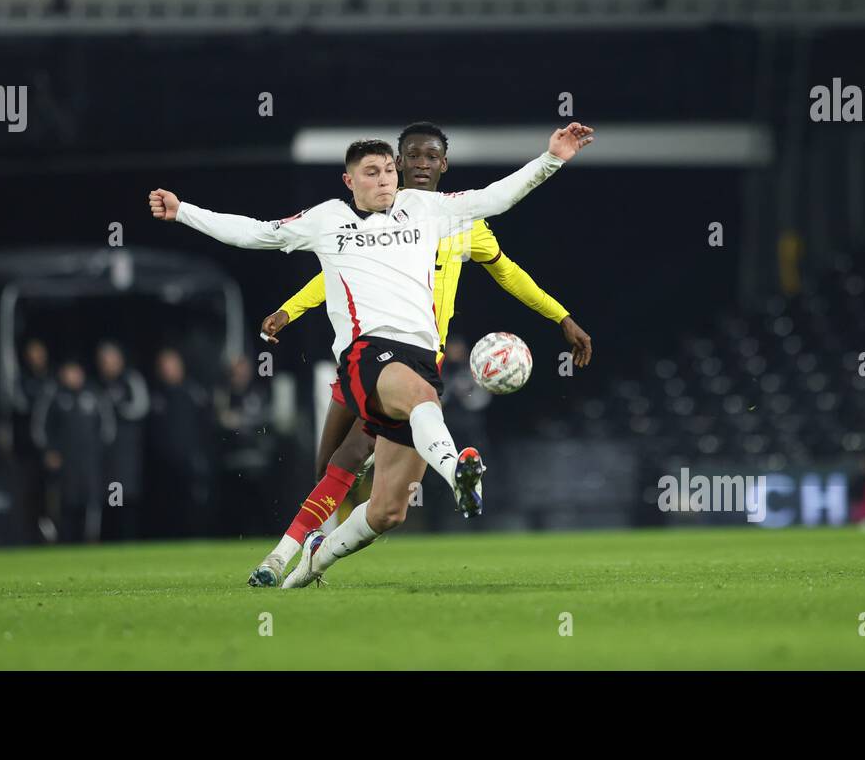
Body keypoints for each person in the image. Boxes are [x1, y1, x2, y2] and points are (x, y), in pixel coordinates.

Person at [149, 122, 594, 587]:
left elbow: (497, 196)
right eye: (373, 172)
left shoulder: (427, 211)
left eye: (387, 172)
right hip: (368, 355)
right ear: (349, 180)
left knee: (388, 511)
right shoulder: (326, 221)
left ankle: (310, 564)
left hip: (422, 357)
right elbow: (256, 233)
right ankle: (458, 473)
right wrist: (185, 213)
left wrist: (552, 159)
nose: (384, 180)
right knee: (391, 422)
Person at [31, 359, 115, 543]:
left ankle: (91, 541)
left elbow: (108, 429)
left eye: (75, 371)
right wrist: (48, 451)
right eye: (68, 371)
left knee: (91, 504)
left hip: (89, 463)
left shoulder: (94, 394)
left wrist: (98, 453)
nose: (72, 376)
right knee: (64, 505)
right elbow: (39, 428)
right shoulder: (53, 394)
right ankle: (61, 542)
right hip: (64, 463)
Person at [145, 348, 213, 538]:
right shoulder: (155, 396)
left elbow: (207, 428)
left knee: (192, 509)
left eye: (171, 365)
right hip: (162, 468)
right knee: (165, 511)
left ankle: (197, 541)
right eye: (164, 366)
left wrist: (201, 458)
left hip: (190, 465)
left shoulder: (194, 392)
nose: (168, 370)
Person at [95, 341, 150, 541]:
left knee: (128, 500)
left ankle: (129, 540)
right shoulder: (98, 385)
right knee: (113, 500)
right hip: (108, 457)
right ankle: (114, 540)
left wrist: (117, 408)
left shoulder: (130, 379)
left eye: (111, 359)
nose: (107, 364)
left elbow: (141, 406)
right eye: (104, 360)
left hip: (128, 454)